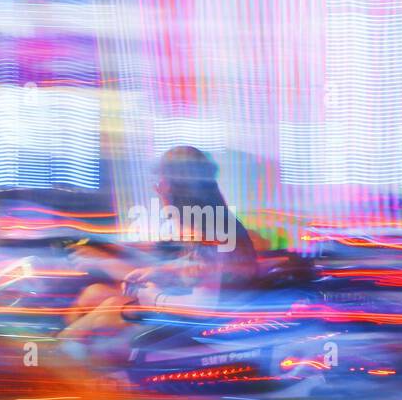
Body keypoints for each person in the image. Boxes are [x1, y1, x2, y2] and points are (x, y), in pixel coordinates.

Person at [59, 146, 257, 359]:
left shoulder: (209, 231)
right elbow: (197, 269)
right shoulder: (206, 224)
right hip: (195, 313)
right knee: (95, 295)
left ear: (179, 187)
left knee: (105, 314)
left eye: (162, 181)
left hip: (209, 326)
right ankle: (64, 355)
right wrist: (158, 271)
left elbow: (203, 306)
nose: (158, 189)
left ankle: (62, 362)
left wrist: (153, 296)